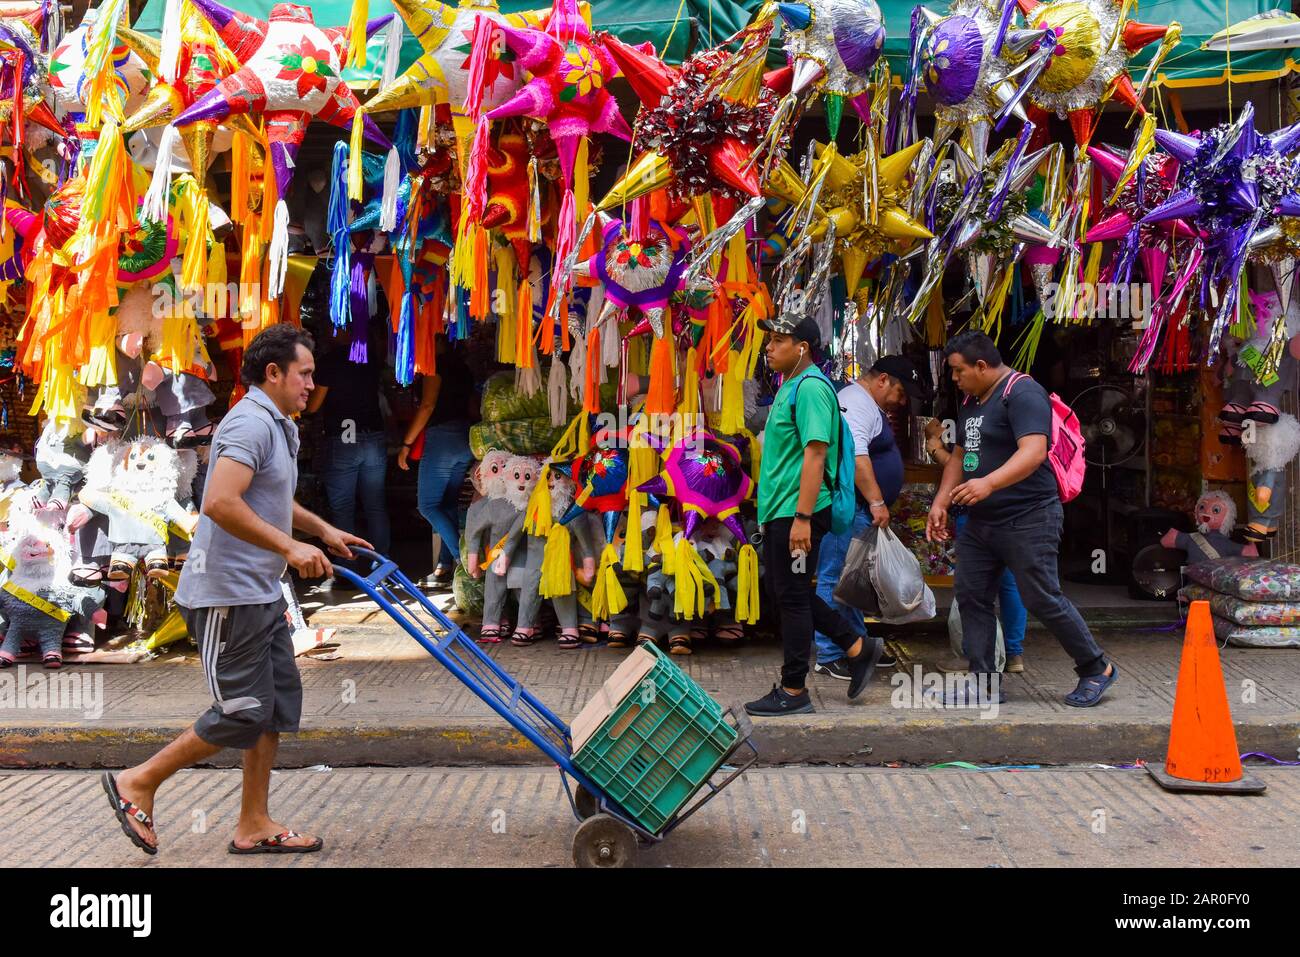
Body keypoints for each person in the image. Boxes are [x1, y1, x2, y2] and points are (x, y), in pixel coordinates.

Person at [101, 324, 370, 856]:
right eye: (305, 373)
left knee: (270, 708)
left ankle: (254, 822)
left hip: (259, 591)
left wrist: (320, 530)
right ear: (273, 373)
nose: (311, 385)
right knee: (242, 709)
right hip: (226, 594)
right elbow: (221, 501)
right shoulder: (249, 423)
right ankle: (140, 780)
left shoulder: (276, 424)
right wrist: (291, 550)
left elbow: (266, 495)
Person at [925, 330, 1115, 707]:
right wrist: (941, 501)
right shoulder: (971, 400)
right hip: (981, 521)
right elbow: (961, 457)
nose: (954, 378)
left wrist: (988, 485)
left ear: (981, 365)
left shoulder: (1023, 393)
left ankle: (1096, 668)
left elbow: (1034, 452)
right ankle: (984, 682)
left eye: (958, 370)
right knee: (972, 596)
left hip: (1029, 516)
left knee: (1041, 596)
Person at [744, 313, 884, 717]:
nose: (768, 348)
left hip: (799, 513)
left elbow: (816, 453)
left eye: (778, 340)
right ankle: (858, 647)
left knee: (791, 598)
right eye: (768, 340)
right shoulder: (790, 386)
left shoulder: (811, 389)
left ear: (802, 347)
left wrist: (803, 518)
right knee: (791, 593)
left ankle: (793, 690)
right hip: (783, 511)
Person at [812, 355, 929, 680]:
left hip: (857, 509)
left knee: (851, 581)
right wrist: (877, 501)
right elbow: (857, 456)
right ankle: (830, 652)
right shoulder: (855, 402)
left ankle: (858, 646)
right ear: (882, 381)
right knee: (834, 579)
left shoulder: (863, 403)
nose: (901, 403)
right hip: (849, 509)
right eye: (900, 394)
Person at [925, 417, 1028, 673]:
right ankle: (1013, 653)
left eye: (961, 372)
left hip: (976, 509)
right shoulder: (1014, 419)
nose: (958, 377)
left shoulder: (982, 415)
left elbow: (964, 467)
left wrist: (935, 446)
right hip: (1010, 508)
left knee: (974, 585)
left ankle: (973, 655)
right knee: (1009, 582)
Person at [307, 324, 390, 571]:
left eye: (335, 327)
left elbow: (313, 405)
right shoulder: (369, 357)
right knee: (375, 504)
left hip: (345, 438)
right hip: (372, 436)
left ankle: (346, 566)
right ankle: (382, 563)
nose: (330, 332)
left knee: (343, 506)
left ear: (344, 331)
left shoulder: (330, 361)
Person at [397, 335, 475, 588]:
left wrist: (407, 443)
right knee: (447, 504)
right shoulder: (463, 367)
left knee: (428, 505)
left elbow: (428, 405)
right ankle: (444, 567)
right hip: (464, 437)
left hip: (443, 439)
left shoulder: (436, 366)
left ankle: (463, 563)